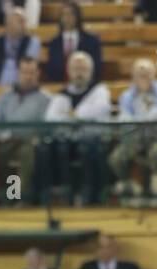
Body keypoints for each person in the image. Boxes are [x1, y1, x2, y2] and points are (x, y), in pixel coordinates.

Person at [0, 57, 50, 204]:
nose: (28, 76)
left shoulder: (45, 99)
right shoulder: (4, 97)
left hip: (27, 141)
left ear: (38, 74)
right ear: (18, 73)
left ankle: (16, 196)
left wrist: (24, 135)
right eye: (24, 72)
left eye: (31, 73)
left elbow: (43, 127)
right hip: (3, 139)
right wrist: (1, 135)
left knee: (26, 150)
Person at [44, 51, 112, 204]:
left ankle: (91, 194)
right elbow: (50, 118)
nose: (79, 73)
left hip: (93, 140)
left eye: (83, 69)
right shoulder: (62, 95)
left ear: (90, 71)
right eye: (76, 69)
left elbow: (100, 109)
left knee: (88, 148)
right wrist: (78, 116)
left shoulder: (100, 91)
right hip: (67, 141)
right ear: (69, 72)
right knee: (54, 148)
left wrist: (72, 114)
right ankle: (65, 193)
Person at [111, 58, 157, 200]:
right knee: (116, 158)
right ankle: (128, 183)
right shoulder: (126, 96)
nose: (143, 76)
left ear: (154, 74)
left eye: (147, 73)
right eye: (139, 73)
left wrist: (140, 120)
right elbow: (125, 119)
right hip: (134, 139)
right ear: (133, 76)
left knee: (156, 153)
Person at [44, 2, 103, 84]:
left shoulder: (92, 40)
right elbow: (51, 69)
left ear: (78, 16)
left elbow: (97, 67)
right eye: (64, 14)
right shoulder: (54, 43)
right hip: (61, 86)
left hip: (86, 86)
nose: (67, 18)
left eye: (71, 14)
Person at [0, 7, 41, 87]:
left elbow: (29, 70)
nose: (24, 25)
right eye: (20, 21)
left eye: (25, 22)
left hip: (21, 90)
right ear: (8, 23)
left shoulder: (32, 42)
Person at [80, 233, 148, 269]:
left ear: (115, 248)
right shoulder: (87, 268)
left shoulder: (130, 268)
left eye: (108, 247)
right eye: (101, 247)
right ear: (95, 249)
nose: (104, 251)